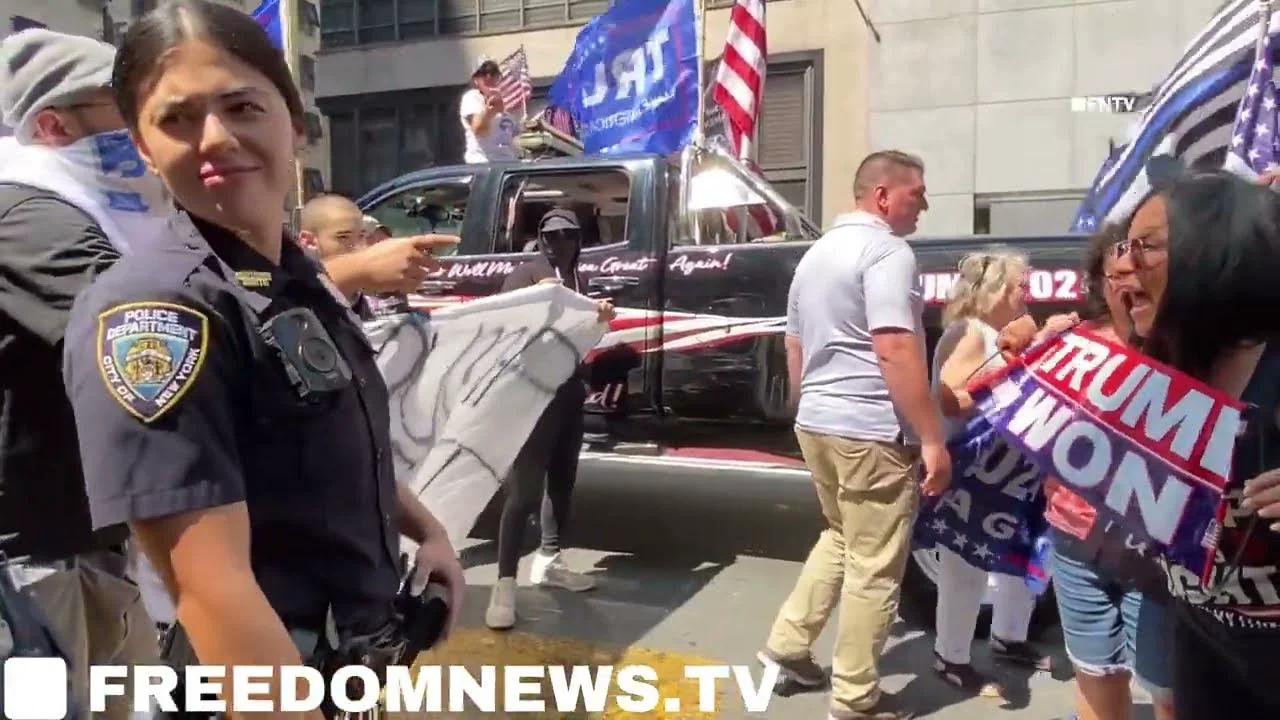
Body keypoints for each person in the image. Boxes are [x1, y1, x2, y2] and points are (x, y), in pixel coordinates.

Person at [60, 2, 465, 713]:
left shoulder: (292, 280)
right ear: (144, 147)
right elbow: (208, 587)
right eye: (178, 119)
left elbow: (325, 446)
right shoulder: (156, 312)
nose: (216, 138)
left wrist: (427, 532)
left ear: (295, 123)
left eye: (243, 106)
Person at [0, 28, 164, 719]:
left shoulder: (100, 208)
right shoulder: (27, 213)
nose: (142, 129)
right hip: (32, 562)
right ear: (51, 123)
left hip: (90, 542)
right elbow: (147, 339)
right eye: (119, 109)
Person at [757, 150, 950, 720]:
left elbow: (794, 346)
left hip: (819, 421)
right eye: (917, 193)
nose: (925, 204)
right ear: (883, 196)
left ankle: (789, 646)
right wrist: (932, 436)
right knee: (874, 565)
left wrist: (810, 409)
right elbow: (894, 346)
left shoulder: (815, 255)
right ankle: (855, 698)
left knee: (841, 537)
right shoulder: (887, 251)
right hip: (869, 428)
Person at [1110, 170, 1280, 717]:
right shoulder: (1165, 373)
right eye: (1124, 245)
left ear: (1217, 251)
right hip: (1205, 655)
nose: (1124, 265)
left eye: (1147, 246)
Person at [999, 227, 1175, 720]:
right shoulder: (1068, 343)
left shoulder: (1186, 350)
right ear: (1101, 282)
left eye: (1140, 273)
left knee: (1168, 686)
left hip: (1155, 556)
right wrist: (1018, 341)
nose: (1128, 284)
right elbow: (1002, 396)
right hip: (1076, 544)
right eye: (1117, 274)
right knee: (1095, 672)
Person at [928, 250, 1062, 698]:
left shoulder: (996, 335)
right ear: (999, 291)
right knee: (964, 570)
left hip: (1006, 473)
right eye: (1022, 285)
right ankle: (951, 659)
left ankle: (1008, 639)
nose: (1028, 293)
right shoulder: (972, 334)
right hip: (971, 470)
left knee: (1016, 558)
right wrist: (1018, 369)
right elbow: (951, 401)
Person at [486, 207, 615, 630]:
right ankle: (504, 586)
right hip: (534, 397)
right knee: (523, 493)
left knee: (562, 482)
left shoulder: (580, 279)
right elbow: (506, 326)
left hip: (569, 392)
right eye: (553, 235)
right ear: (541, 238)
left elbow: (586, 333)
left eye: (569, 236)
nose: (560, 243)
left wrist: (598, 317)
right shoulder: (528, 275)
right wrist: (541, 299)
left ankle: (549, 559)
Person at [460, 57, 517, 164]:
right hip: (483, 165)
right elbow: (479, 130)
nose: (489, 77)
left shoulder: (508, 100)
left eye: (493, 72)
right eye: (484, 73)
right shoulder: (472, 98)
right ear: (475, 79)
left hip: (508, 166)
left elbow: (516, 136)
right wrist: (490, 111)